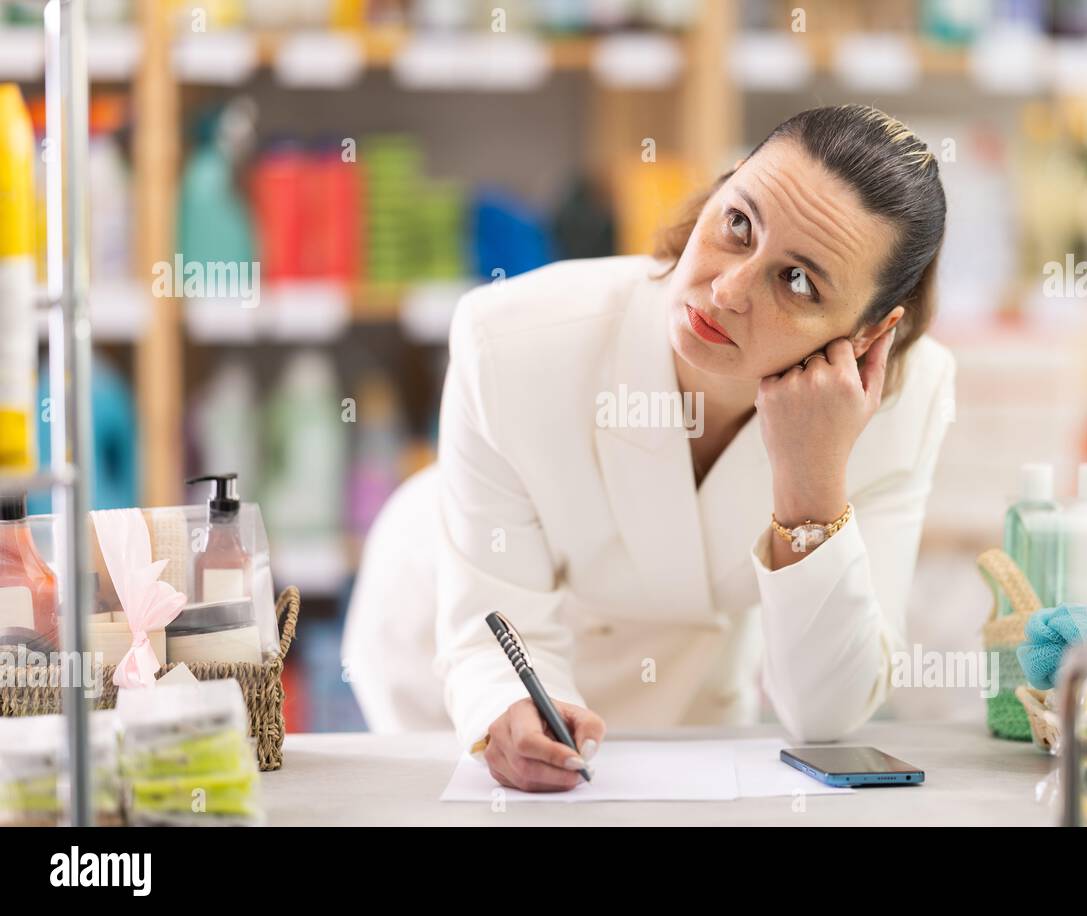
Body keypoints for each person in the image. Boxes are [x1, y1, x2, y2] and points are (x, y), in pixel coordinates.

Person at [344, 104, 955, 792]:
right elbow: (498, 620)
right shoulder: (510, 338)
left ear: (872, 334)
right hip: (459, 631)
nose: (727, 289)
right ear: (722, 186)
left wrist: (811, 483)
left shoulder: (908, 400)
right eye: (739, 224)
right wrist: (503, 706)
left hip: (690, 676)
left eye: (797, 280)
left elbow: (828, 715)